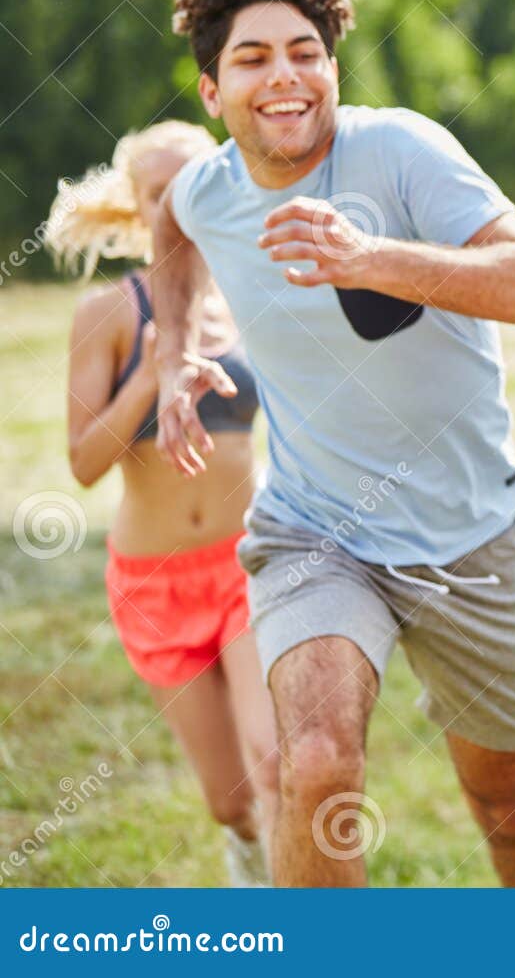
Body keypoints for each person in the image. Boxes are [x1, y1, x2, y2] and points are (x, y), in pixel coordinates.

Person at [151, 0, 515, 887]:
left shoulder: (399, 149)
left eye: (305, 51)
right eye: (253, 58)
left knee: (514, 813)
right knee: (315, 763)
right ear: (213, 92)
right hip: (316, 529)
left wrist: (371, 257)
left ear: (333, 69)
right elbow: (171, 230)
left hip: (476, 537)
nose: (286, 75)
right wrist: (175, 347)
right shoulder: (208, 188)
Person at [47, 121, 275, 887]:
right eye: (158, 194)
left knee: (272, 760)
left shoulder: (248, 300)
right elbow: (82, 464)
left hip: (247, 566)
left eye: (190, 187)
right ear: (139, 208)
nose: (175, 206)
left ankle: (300, 919)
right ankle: (245, 849)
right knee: (229, 799)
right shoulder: (108, 314)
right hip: (153, 584)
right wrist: (151, 375)